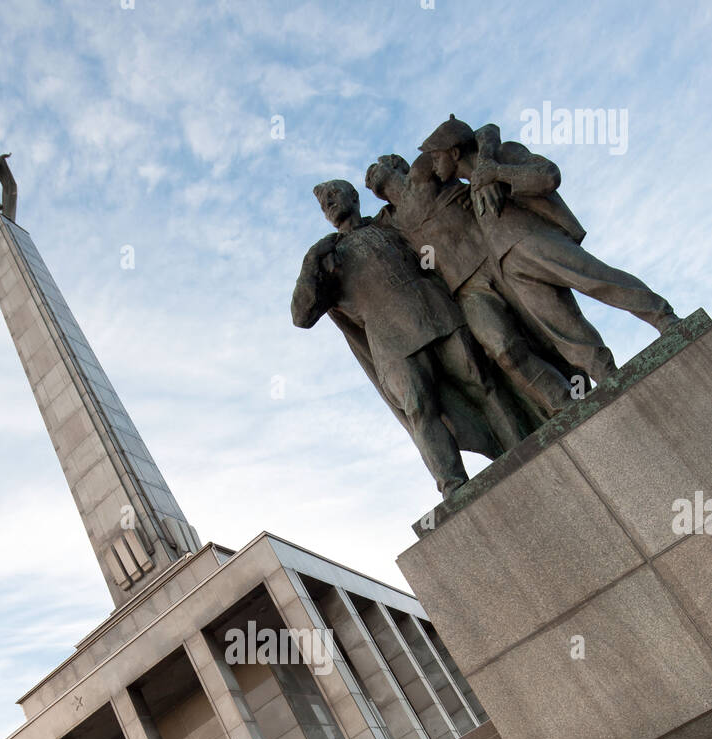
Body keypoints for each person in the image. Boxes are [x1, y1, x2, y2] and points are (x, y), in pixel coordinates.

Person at [291, 179, 527, 499]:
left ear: (354, 196)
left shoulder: (391, 222)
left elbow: (432, 244)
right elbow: (301, 316)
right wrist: (311, 261)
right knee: (419, 406)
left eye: (334, 195)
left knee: (482, 380)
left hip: (437, 313)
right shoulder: (327, 257)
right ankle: (454, 487)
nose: (330, 203)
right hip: (390, 341)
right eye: (324, 204)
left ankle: (523, 449)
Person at [418, 117, 679, 383]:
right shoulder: (469, 191)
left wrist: (497, 172)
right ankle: (607, 376)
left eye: (436, 158)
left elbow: (548, 175)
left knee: (596, 279)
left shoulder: (503, 154)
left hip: (534, 239)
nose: (434, 166)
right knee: (563, 327)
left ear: (454, 152)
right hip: (509, 266)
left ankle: (663, 317)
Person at [366, 153, 577, 418]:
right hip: (466, 289)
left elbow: (461, 146)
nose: (370, 174)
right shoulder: (386, 223)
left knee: (547, 331)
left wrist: (479, 180)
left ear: (397, 164)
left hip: (496, 259)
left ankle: (589, 383)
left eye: (377, 165)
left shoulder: (422, 170)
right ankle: (565, 403)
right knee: (503, 349)